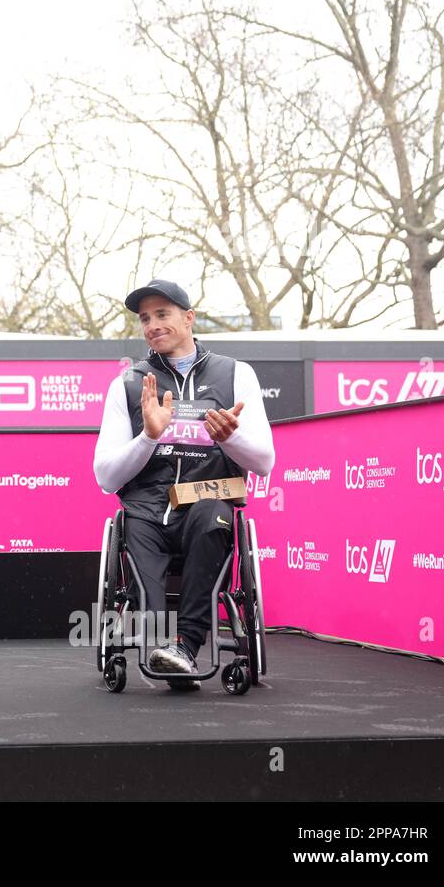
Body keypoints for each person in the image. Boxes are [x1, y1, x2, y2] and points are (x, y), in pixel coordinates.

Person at [93, 278, 275, 689]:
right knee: (136, 524)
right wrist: (149, 436)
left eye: (162, 314)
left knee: (215, 517)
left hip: (207, 502)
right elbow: (106, 476)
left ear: (189, 318)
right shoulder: (127, 383)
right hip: (147, 507)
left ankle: (185, 647)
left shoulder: (236, 374)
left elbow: (264, 463)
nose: (152, 325)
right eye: (144, 318)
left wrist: (231, 437)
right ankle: (160, 643)